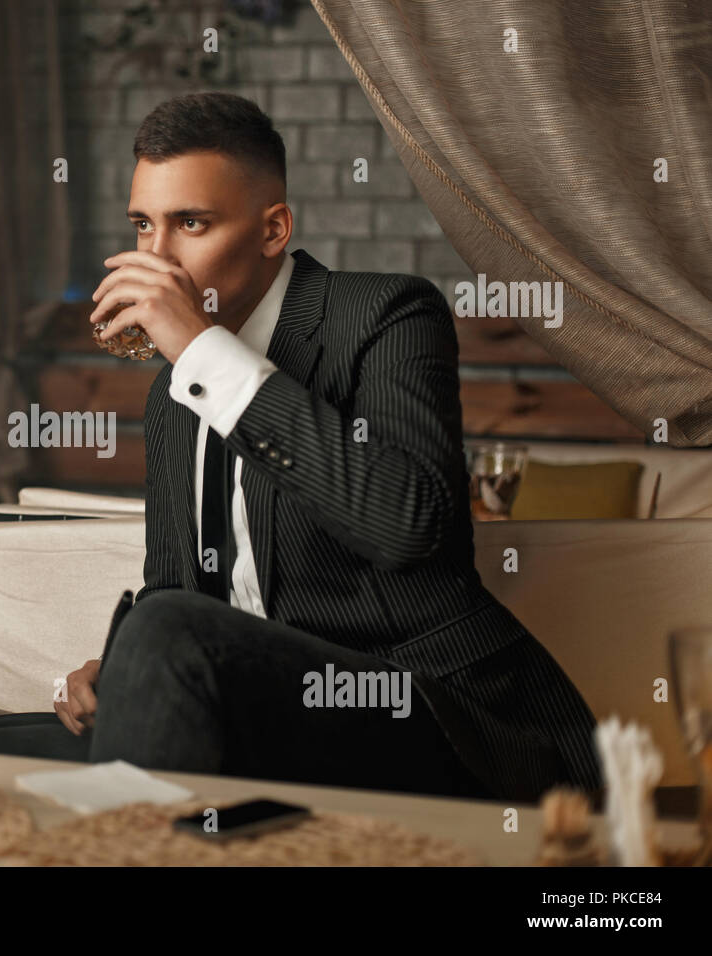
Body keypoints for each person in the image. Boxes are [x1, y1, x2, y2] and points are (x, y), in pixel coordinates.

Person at [52, 91, 601, 803]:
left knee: (159, 641)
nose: (157, 259)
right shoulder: (172, 394)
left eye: (191, 223)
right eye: (142, 226)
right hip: (261, 715)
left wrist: (201, 348)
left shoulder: (387, 314)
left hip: (426, 712)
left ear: (273, 229)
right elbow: (179, 593)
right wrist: (124, 668)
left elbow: (409, 524)